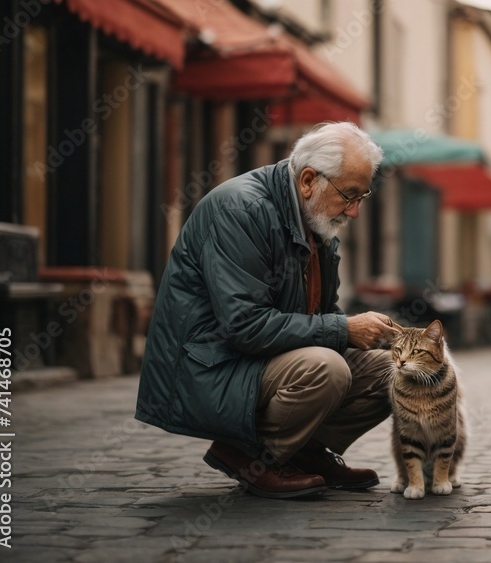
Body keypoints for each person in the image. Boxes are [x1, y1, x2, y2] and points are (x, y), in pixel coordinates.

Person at [135, 122, 399, 499]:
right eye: (349, 195)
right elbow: (243, 326)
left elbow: (321, 313)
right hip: (210, 364)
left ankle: (302, 452)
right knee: (328, 367)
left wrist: (370, 333)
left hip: (263, 358)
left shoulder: (317, 222)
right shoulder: (242, 209)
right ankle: (248, 455)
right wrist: (344, 329)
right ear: (308, 180)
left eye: (363, 196)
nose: (355, 211)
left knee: (394, 369)